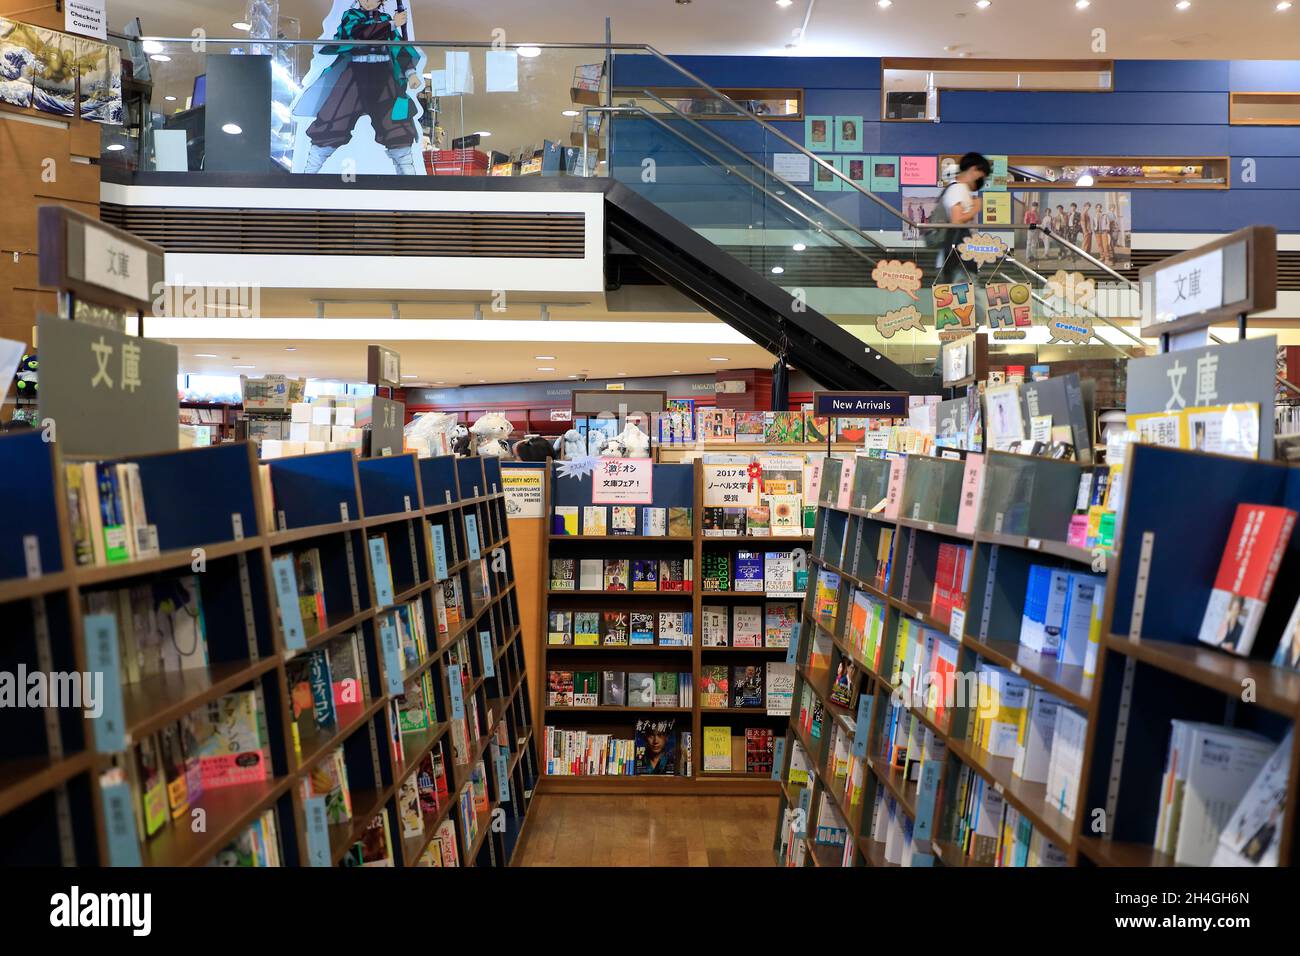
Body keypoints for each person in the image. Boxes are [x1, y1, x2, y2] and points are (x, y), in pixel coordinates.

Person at [295, 0, 423, 174]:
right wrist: (392, 24)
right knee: (332, 122)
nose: (368, 1)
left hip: (383, 76)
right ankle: (307, 176)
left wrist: (410, 73)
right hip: (355, 75)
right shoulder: (351, 16)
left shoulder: (386, 18)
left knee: (396, 127)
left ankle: (408, 179)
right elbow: (358, 34)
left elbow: (398, 48)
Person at [932, 151, 992, 284]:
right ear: (974, 170)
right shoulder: (958, 189)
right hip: (958, 262)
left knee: (962, 304)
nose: (982, 181)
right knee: (966, 303)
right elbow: (957, 220)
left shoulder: (958, 189)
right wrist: (976, 208)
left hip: (956, 259)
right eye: (982, 176)